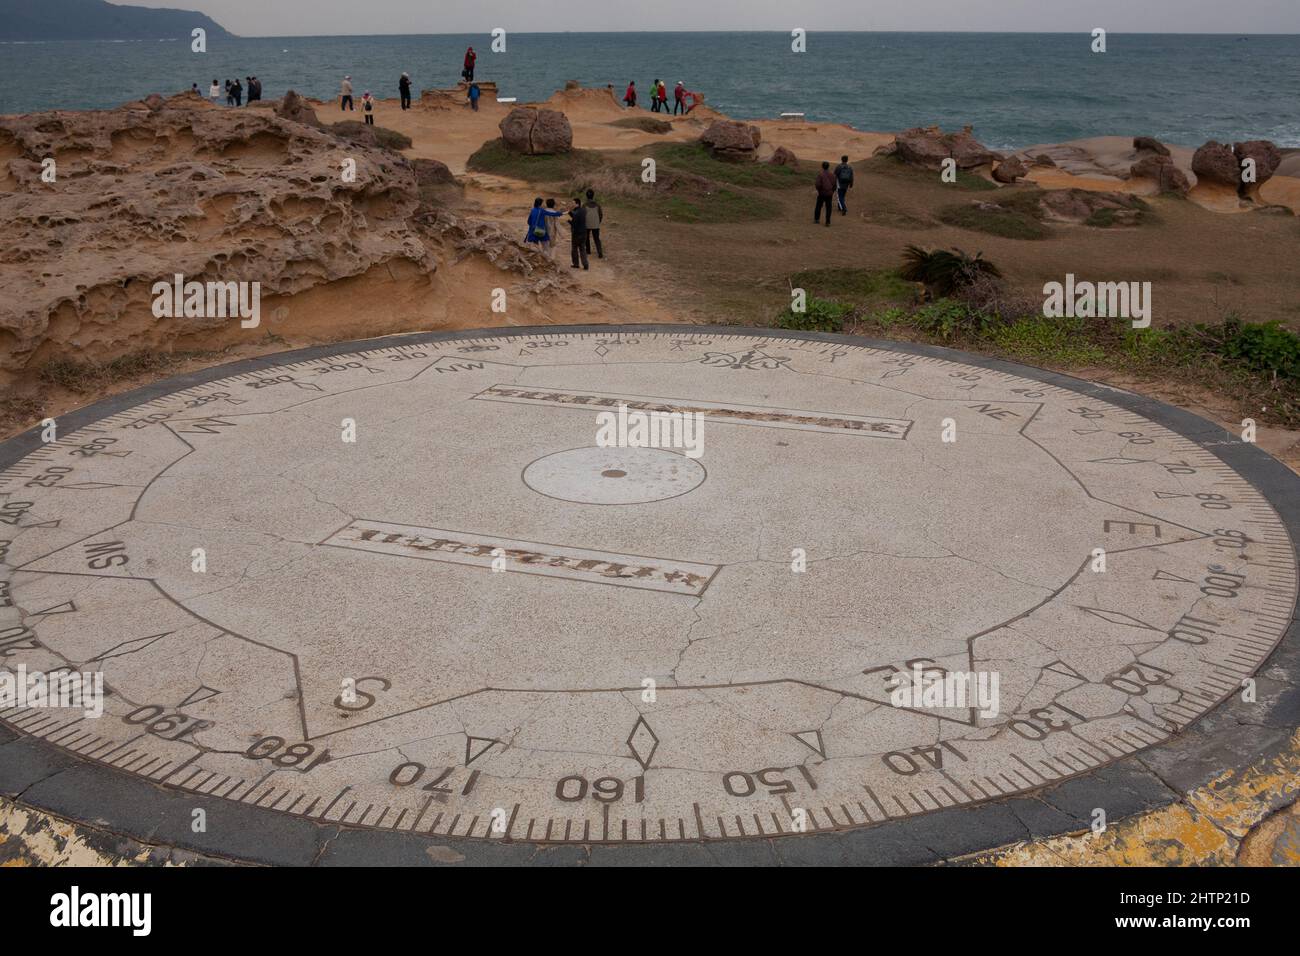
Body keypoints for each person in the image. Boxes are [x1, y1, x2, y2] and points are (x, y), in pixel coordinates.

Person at [583, 189, 605, 259]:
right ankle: (600, 252)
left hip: (587, 224)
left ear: (586, 196)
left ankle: (588, 250)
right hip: (596, 224)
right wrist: (598, 222)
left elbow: (582, 214)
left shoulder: (584, 205)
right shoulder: (597, 205)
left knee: (586, 238)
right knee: (596, 239)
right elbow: (601, 214)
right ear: (593, 196)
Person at [814, 161, 837, 226]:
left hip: (822, 193)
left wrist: (819, 190)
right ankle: (827, 222)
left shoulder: (820, 174)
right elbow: (835, 184)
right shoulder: (833, 175)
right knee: (829, 207)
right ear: (828, 167)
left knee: (818, 206)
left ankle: (816, 219)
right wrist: (832, 191)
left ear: (822, 166)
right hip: (829, 193)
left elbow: (817, 184)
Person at [569, 198, 589, 270]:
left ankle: (576, 264)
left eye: (573, 203)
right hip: (584, 232)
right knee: (582, 249)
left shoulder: (576, 212)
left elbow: (574, 223)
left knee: (574, 249)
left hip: (576, 234)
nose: (572, 204)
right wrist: (570, 213)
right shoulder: (583, 210)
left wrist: (569, 222)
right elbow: (577, 218)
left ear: (577, 203)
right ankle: (585, 264)